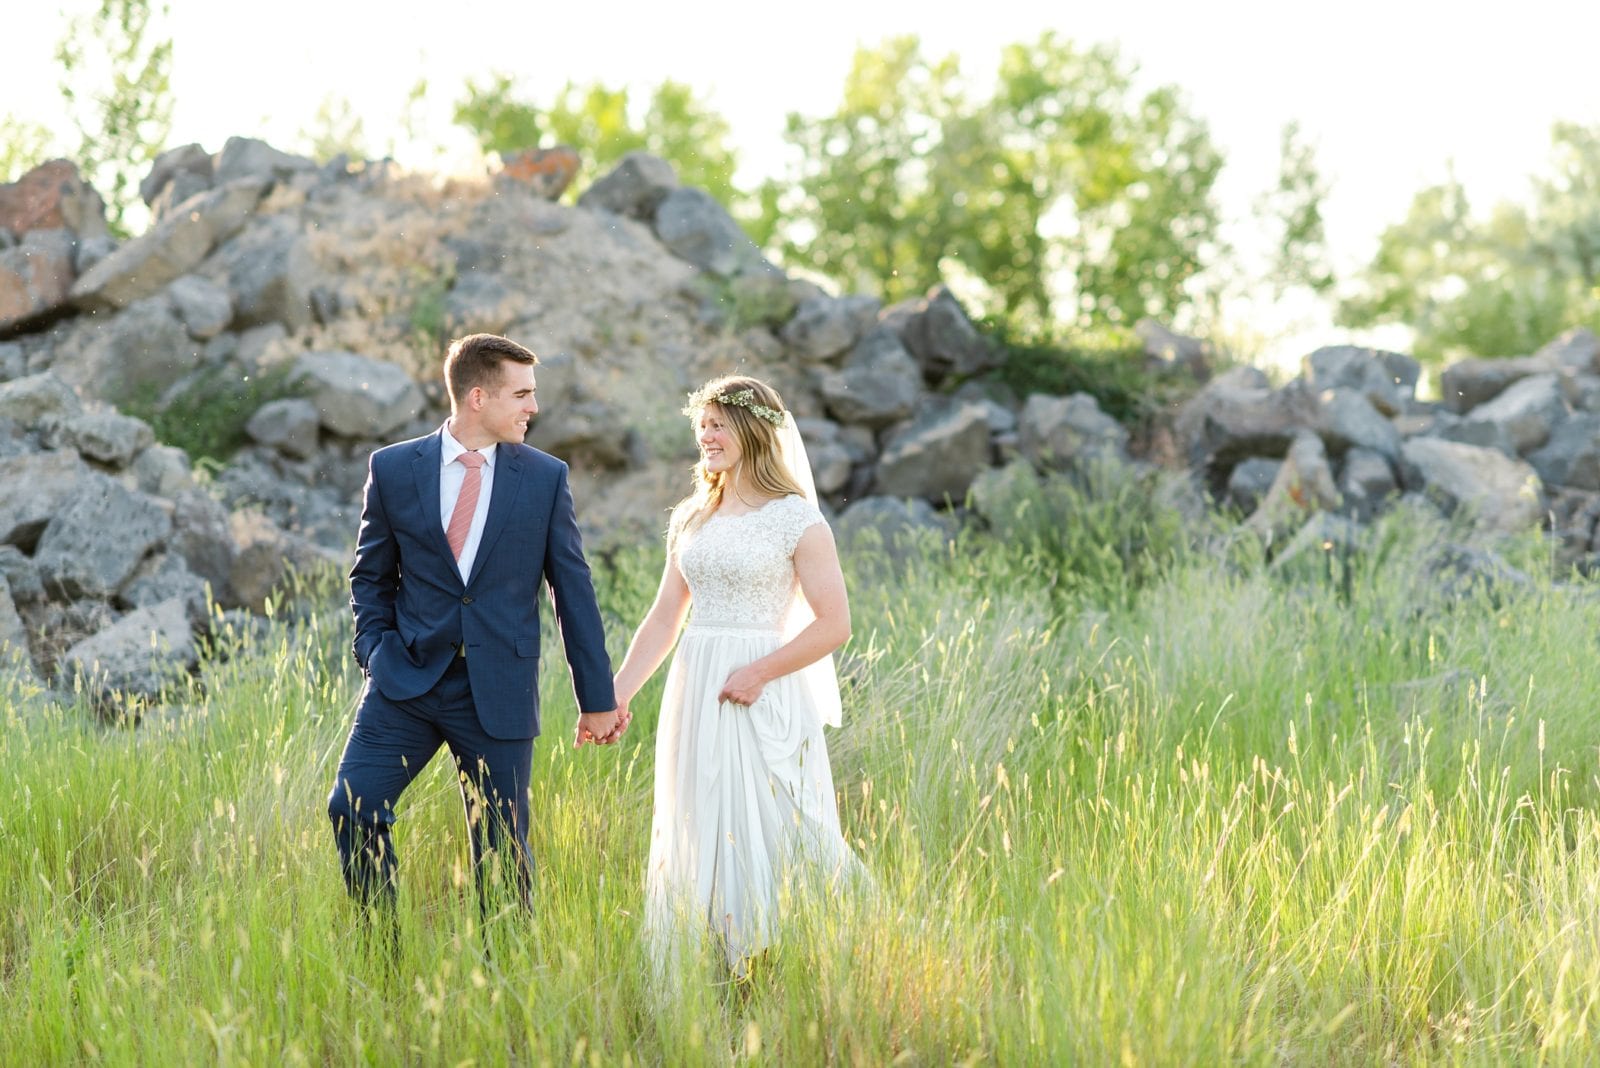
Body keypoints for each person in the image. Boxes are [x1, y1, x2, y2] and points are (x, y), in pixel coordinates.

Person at [327, 332, 624, 928]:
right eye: (522, 394)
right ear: (478, 397)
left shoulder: (544, 478)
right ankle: (381, 954)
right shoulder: (392, 469)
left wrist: (598, 700)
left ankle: (508, 985)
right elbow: (370, 576)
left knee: (502, 850)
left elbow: (573, 591)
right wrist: (375, 653)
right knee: (352, 808)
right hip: (405, 683)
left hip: (498, 689)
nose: (532, 408)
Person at [610, 374, 864, 976]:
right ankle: (716, 968)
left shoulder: (797, 520)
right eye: (701, 425)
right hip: (695, 688)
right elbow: (664, 618)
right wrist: (614, 695)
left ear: (752, 429)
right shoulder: (692, 518)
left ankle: (788, 962)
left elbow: (834, 625)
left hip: (763, 691)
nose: (706, 436)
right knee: (702, 825)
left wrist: (759, 672)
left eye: (718, 423)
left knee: (777, 825)